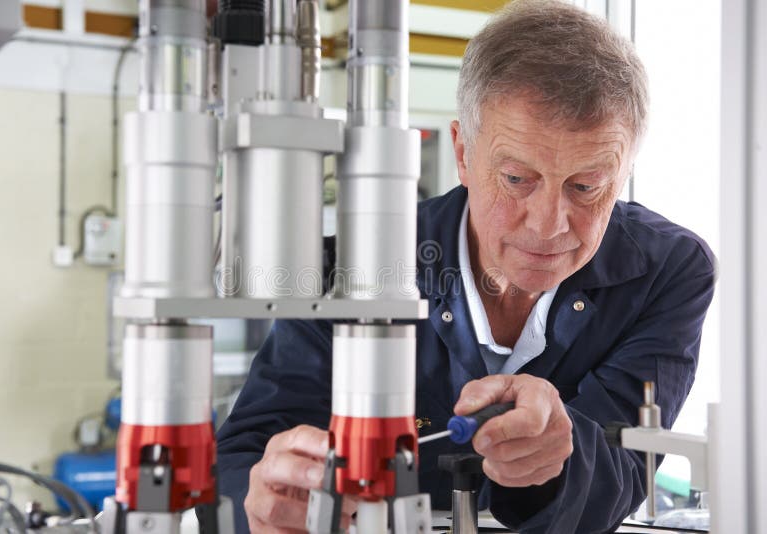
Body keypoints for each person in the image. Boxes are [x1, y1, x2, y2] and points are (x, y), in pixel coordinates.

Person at [216, 1, 717, 532]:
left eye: (586, 186)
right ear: (462, 153)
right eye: (516, 179)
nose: (548, 225)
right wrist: (266, 497)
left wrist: (556, 458)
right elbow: (243, 456)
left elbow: (621, 472)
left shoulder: (668, 271)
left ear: (624, 172)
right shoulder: (356, 265)